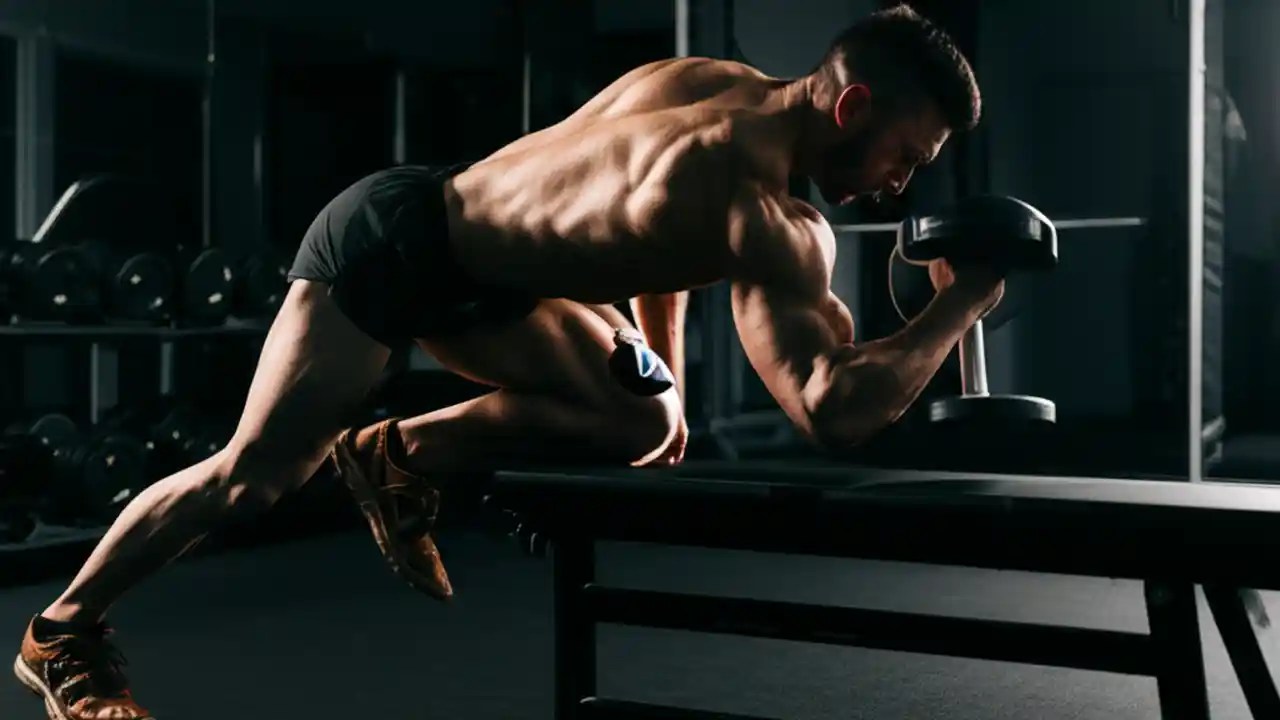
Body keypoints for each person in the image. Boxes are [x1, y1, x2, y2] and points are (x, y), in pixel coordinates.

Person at [13, 5, 999, 718]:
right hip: (396, 246)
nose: (898, 186)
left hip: (500, 288)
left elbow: (662, 245)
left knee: (644, 416)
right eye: (904, 157)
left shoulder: (711, 86)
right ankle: (61, 632)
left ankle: (395, 455)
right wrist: (963, 300)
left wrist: (666, 371)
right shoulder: (771, 221)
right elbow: (829, 408)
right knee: (252, 478)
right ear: (852, 105)